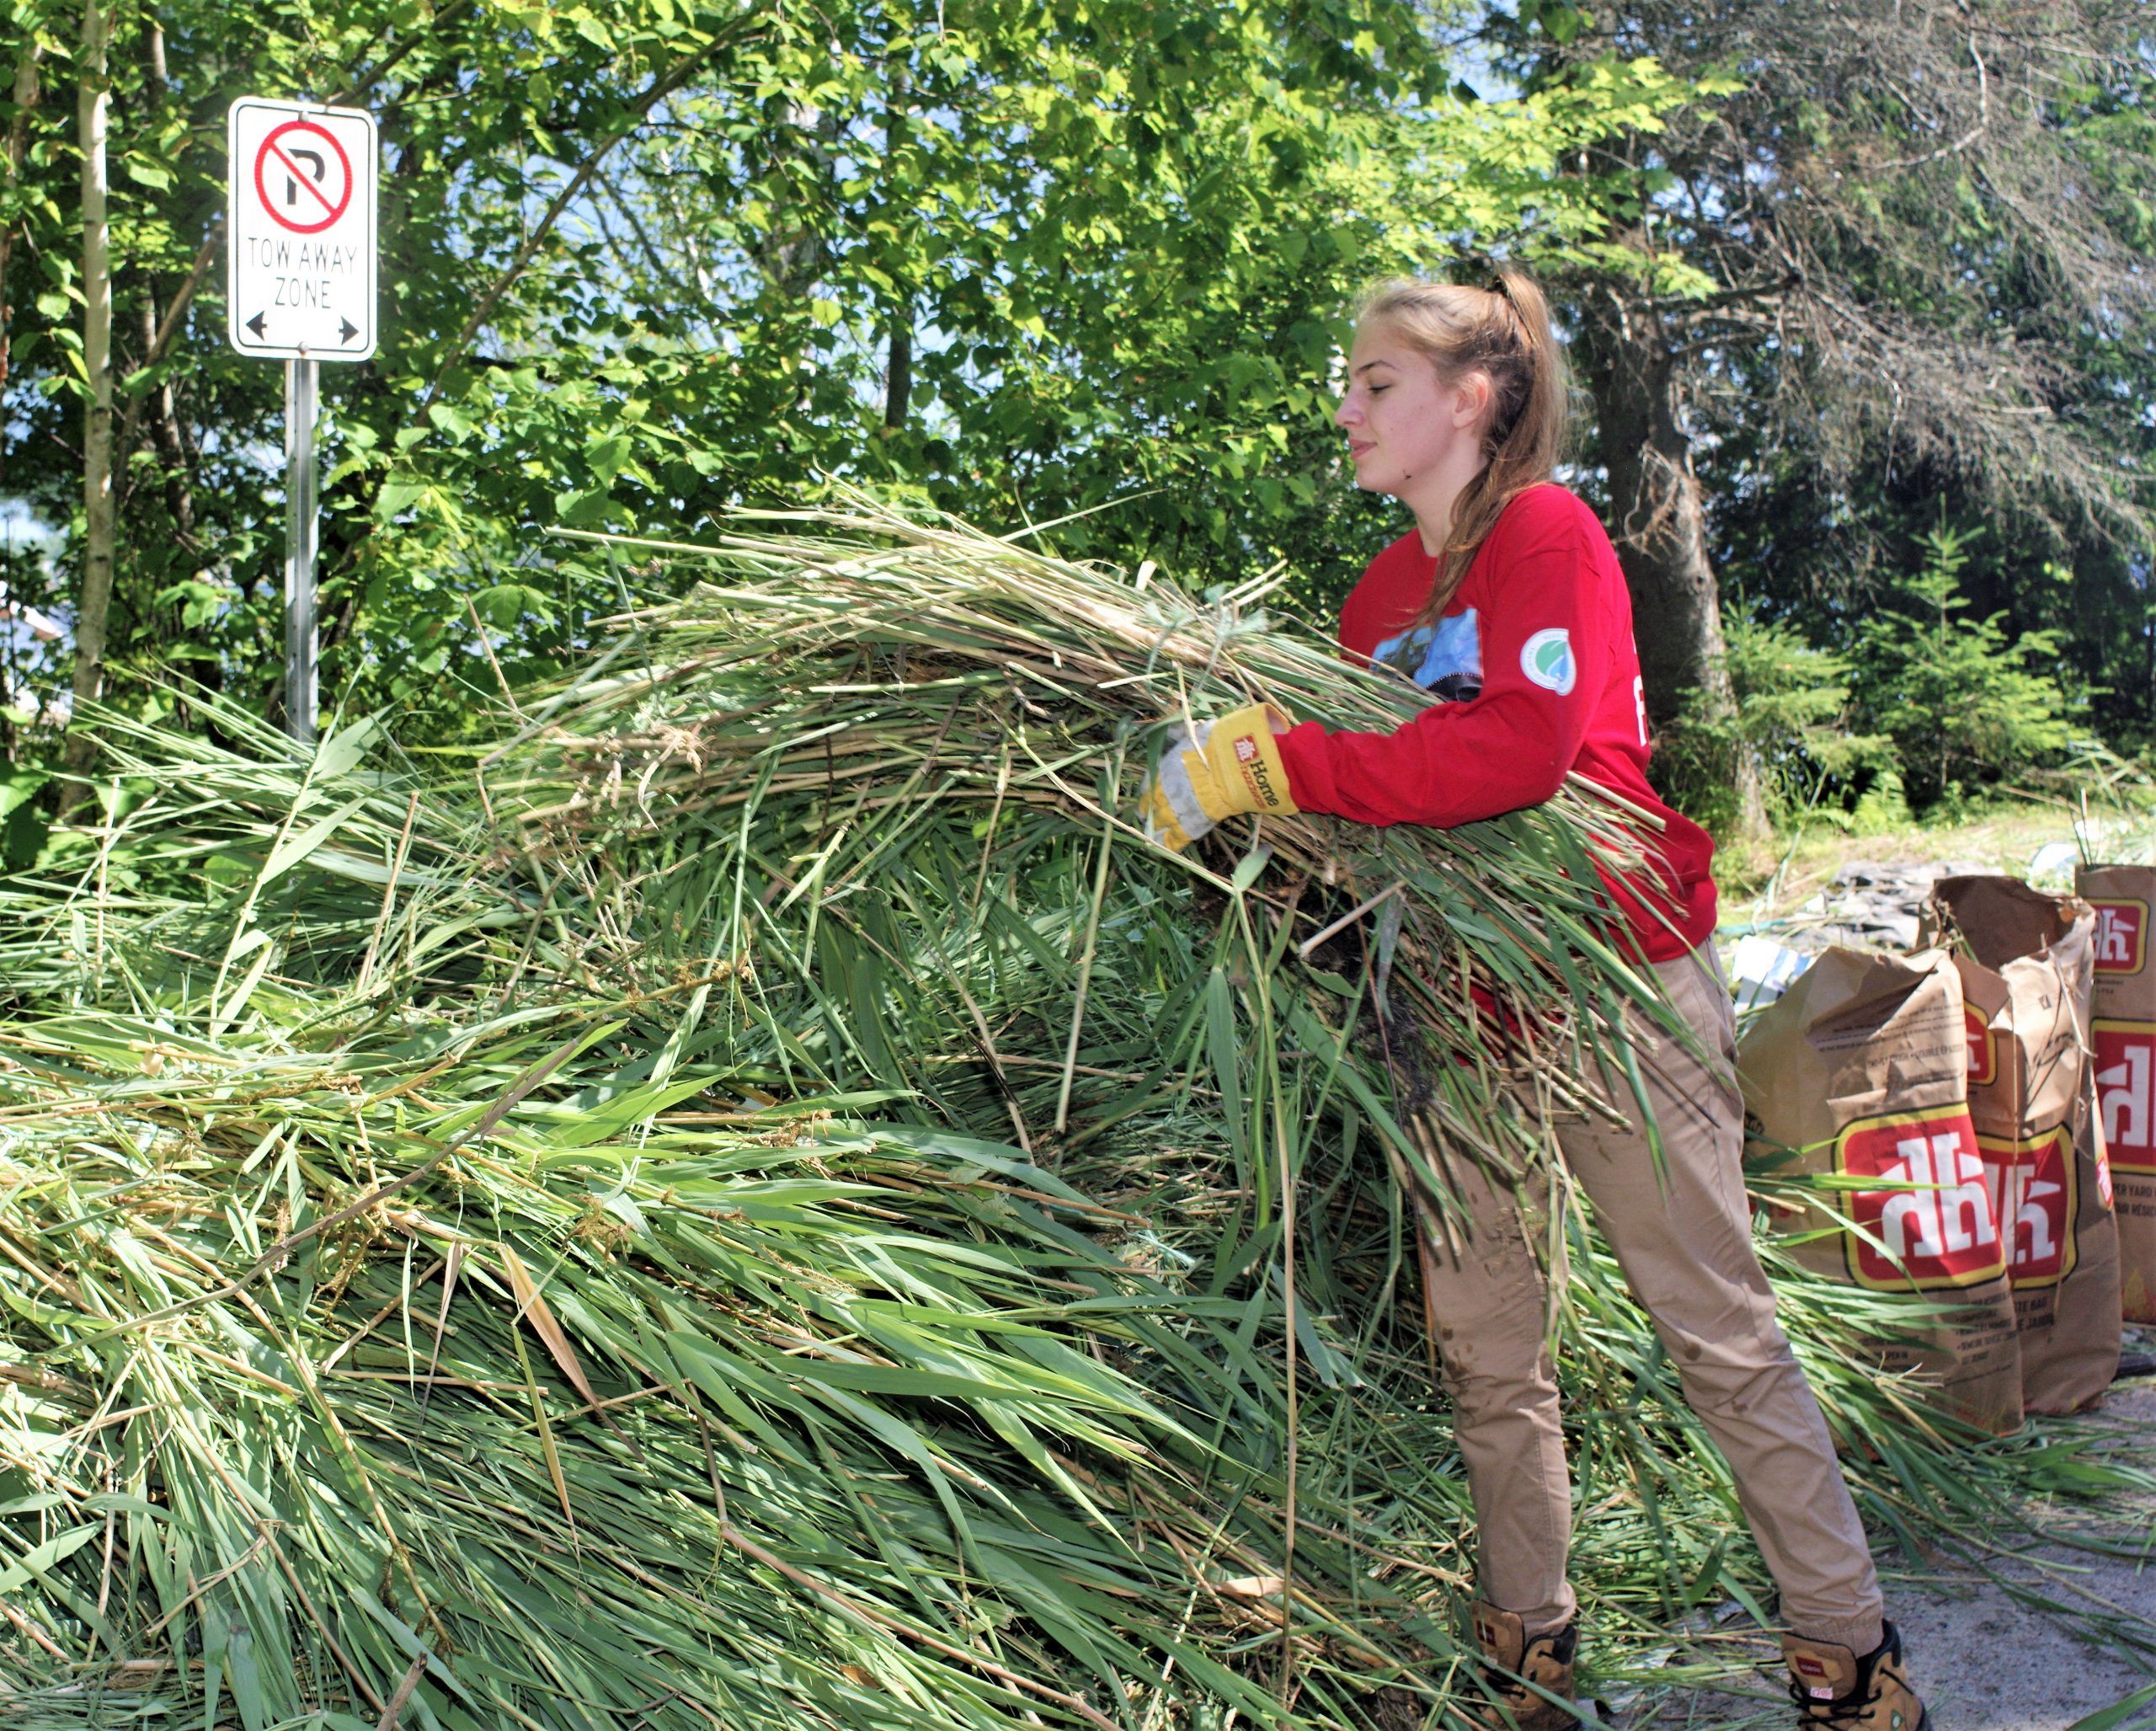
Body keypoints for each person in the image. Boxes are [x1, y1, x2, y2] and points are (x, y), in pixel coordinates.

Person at [1136, 270, 1929, 1731]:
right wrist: (1228, 809)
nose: (1350, 405)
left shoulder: (1546, 538)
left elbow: (1524, 756)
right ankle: (1531, 1657)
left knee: (1714, 1327)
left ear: (1472, 400)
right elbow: (1364, 812)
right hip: (1450, 1010)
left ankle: (1846, 1659)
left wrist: (1292, 764)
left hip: (1608, 985)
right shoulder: (1373, 599)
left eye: (1379, 381)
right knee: (1485, 1349)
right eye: (1350, 379)